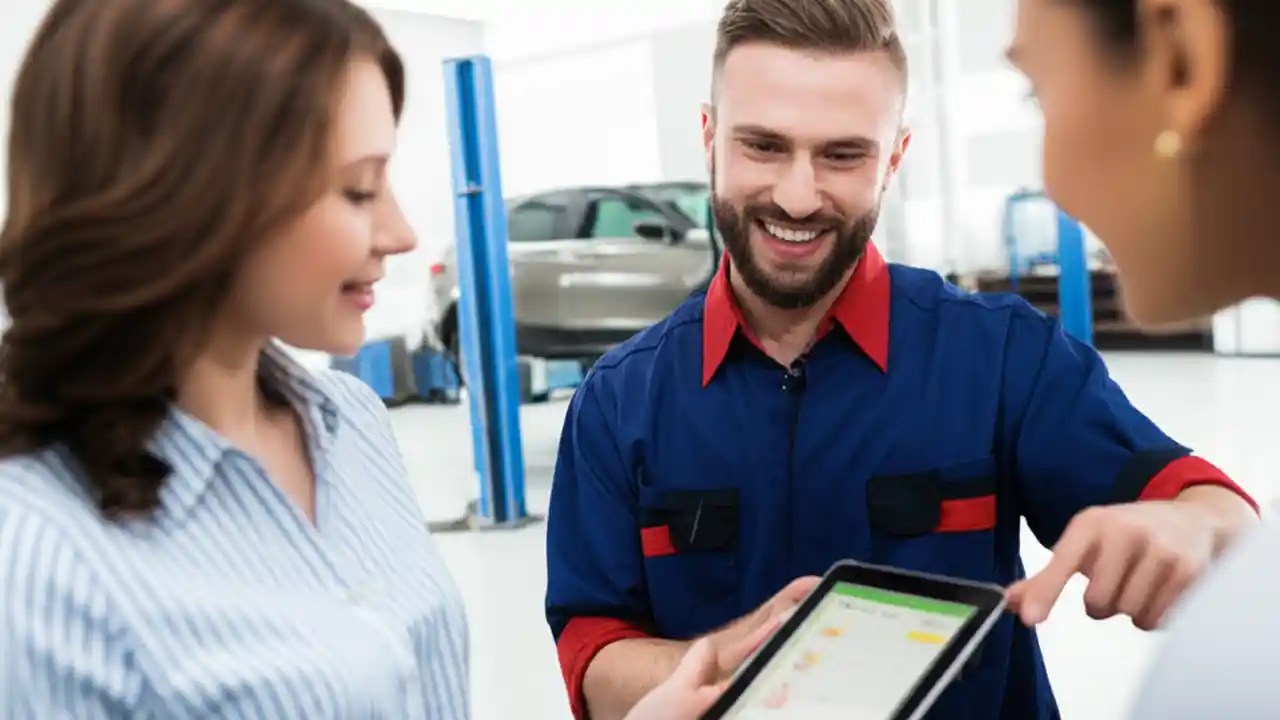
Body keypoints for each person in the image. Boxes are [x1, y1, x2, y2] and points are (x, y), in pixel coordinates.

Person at [0, 1, 735, 718]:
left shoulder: (349, 426)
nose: (403, 231)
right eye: (358, 189)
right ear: (191, 196)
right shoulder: (37, 564)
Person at [543, 1, 1261, 718]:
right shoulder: (619, 402)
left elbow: (1208, 505)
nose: (797, 196)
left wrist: (1198, 527)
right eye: (762, 146)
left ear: (894, 157)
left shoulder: (1001, 356)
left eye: (842, 154)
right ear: (709, 139)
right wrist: (740, 665)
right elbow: (592, 654)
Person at [1003, 0, 1279, 717]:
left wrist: (1206, 522)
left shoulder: (1241, 658)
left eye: (1042, 92)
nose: (1050, 179)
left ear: (1182, 57)